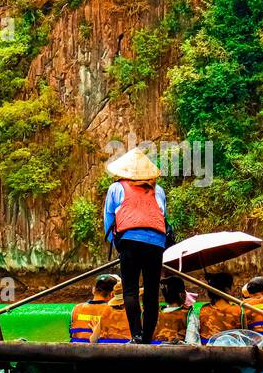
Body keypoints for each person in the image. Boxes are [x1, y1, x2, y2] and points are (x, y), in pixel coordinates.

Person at [103, 147, 170, 344]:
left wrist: (116, 244)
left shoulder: (116, 188)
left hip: (129, 241)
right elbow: (163, 215)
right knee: (151, 291)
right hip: (156, 243)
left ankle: (137, 336)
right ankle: (147, 338)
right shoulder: (158, 190)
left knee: (130, 290)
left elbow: (109, 219)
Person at [192, 270, 244, 343]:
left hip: (206, 351)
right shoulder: (237, 309)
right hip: (231, 351)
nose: (235, 288)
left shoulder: (203, 309)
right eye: (233, 285)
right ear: (227, 289)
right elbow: (244, 333)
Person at [69, 274, 120, 342]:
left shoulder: (76, 308)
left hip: (75, 350)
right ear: (112, 294)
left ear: (93, 290)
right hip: (99, 351)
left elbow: (71, 333)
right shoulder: (113, 311)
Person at [152, 276, 193, 344]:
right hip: (179, 352)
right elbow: (193, 341)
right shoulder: (188, 313)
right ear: (181, 294)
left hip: (152, 352)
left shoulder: (154, 314)